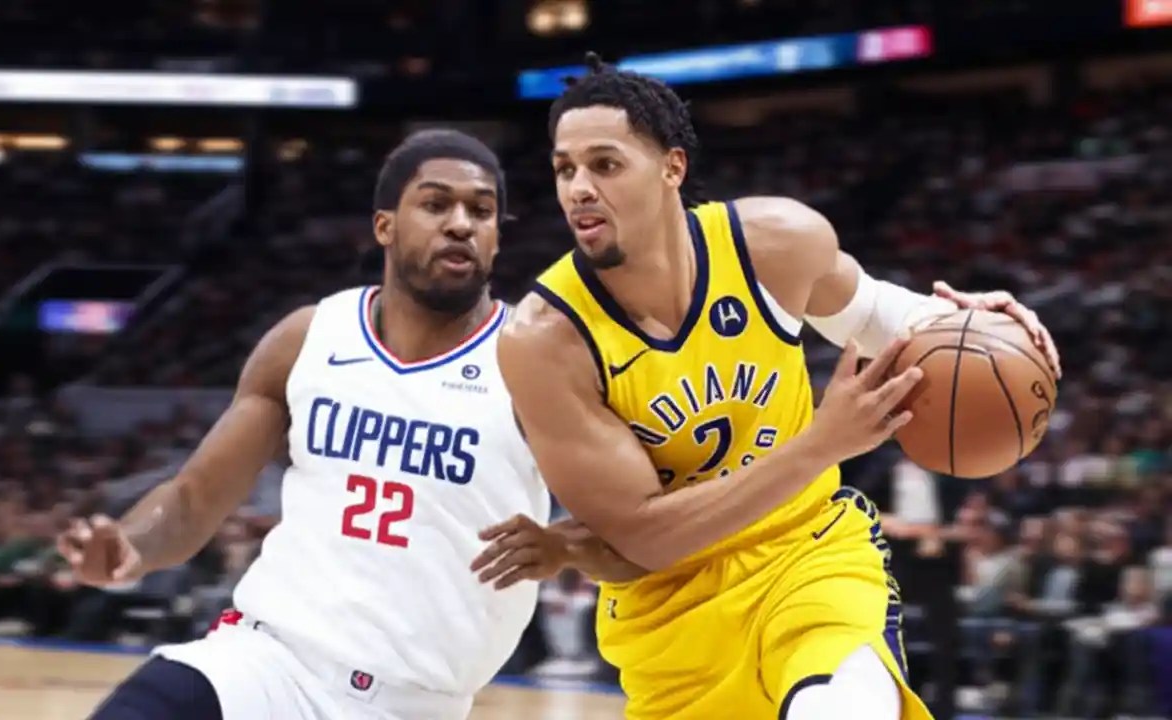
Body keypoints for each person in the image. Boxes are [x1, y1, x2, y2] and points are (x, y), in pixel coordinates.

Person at [484, 53, 1062, 720]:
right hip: (673, 619)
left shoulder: (773, 243)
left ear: (673, 167)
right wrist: (821, 445)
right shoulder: (545, 340)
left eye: (605, 164)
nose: (578, 187)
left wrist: (975, 326)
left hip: (808, 557)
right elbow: (645, 537)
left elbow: (880, 316)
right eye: (564, 169)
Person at [58, 129, 636, 720]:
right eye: (437, 204)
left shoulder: (536, 361)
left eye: (481, 211)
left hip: (413, 703)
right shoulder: (308, 337)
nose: (462, 224)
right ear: (385, 226)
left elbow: (646, 532)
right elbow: (191, 501)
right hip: (265, 661)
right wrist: (130, 544)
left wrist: (565, 546)